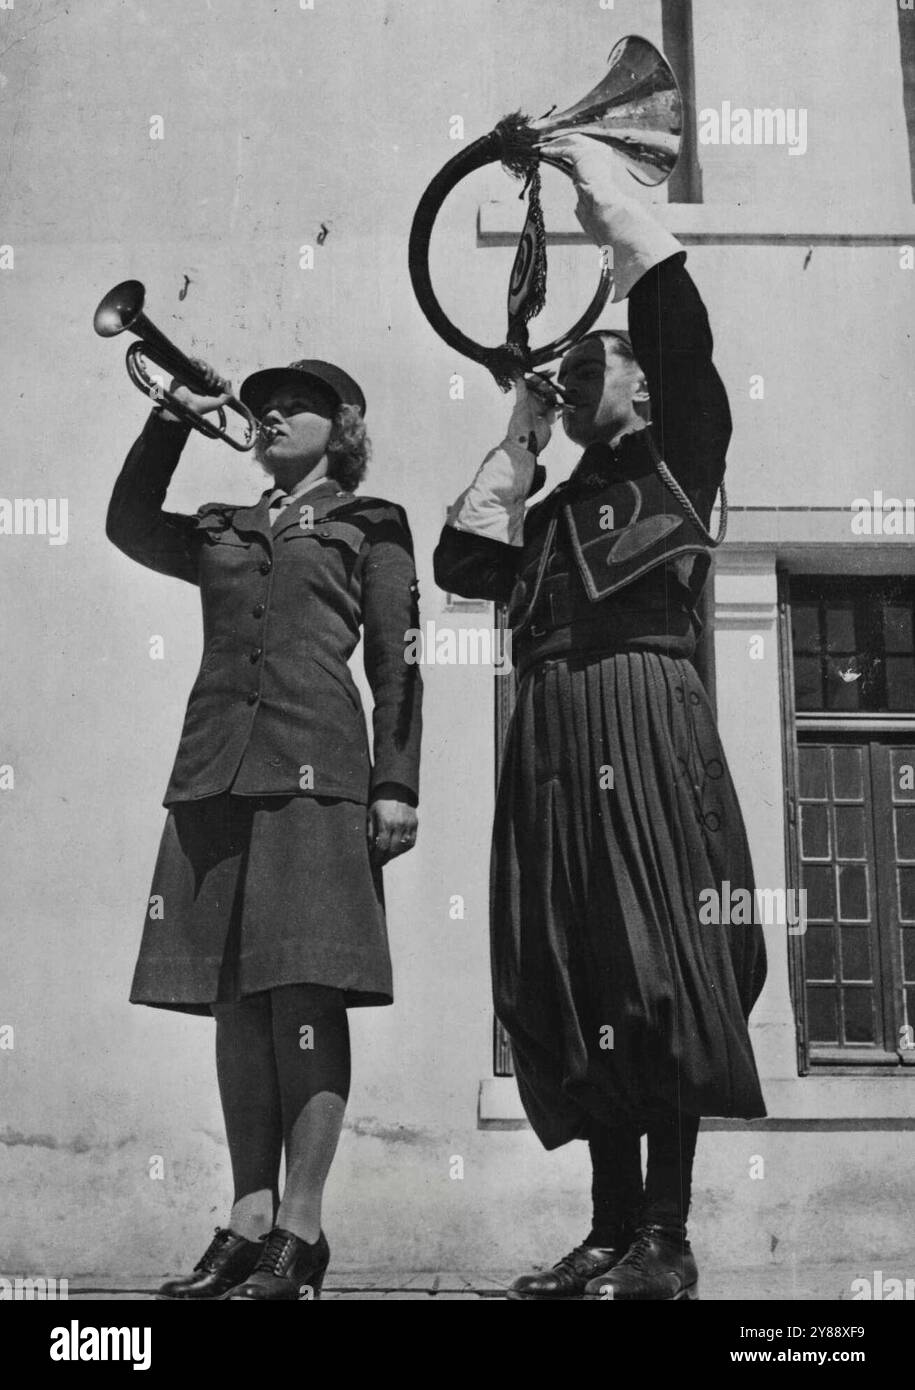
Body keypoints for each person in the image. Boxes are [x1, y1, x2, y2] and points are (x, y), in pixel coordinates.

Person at [433, 134, 767, 1302]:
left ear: (640, 385)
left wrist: (602, 195)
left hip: (644, 711)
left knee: (656, 965)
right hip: (554, 742)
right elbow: (463, 559)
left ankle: (665, 1237)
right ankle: (608, 1227)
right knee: (576, 972)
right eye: (566, 376)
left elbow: (676, 327)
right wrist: (521, 436)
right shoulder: (552, 496)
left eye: (596, 369)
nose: (579, 381)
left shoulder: (681, 449)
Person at [106, 354, 422, 1300]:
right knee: (234, 1000)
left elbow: (400, 665)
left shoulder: (371, 526)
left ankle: (302, 1229)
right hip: (215, 776)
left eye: (299, 406)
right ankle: (248, 1218)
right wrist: (174, 417)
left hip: (317, 780)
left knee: (306, 995)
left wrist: (395, 783)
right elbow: (126, 525)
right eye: (266, 407)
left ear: (345, 427)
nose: (275, 415)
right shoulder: (223, 527)